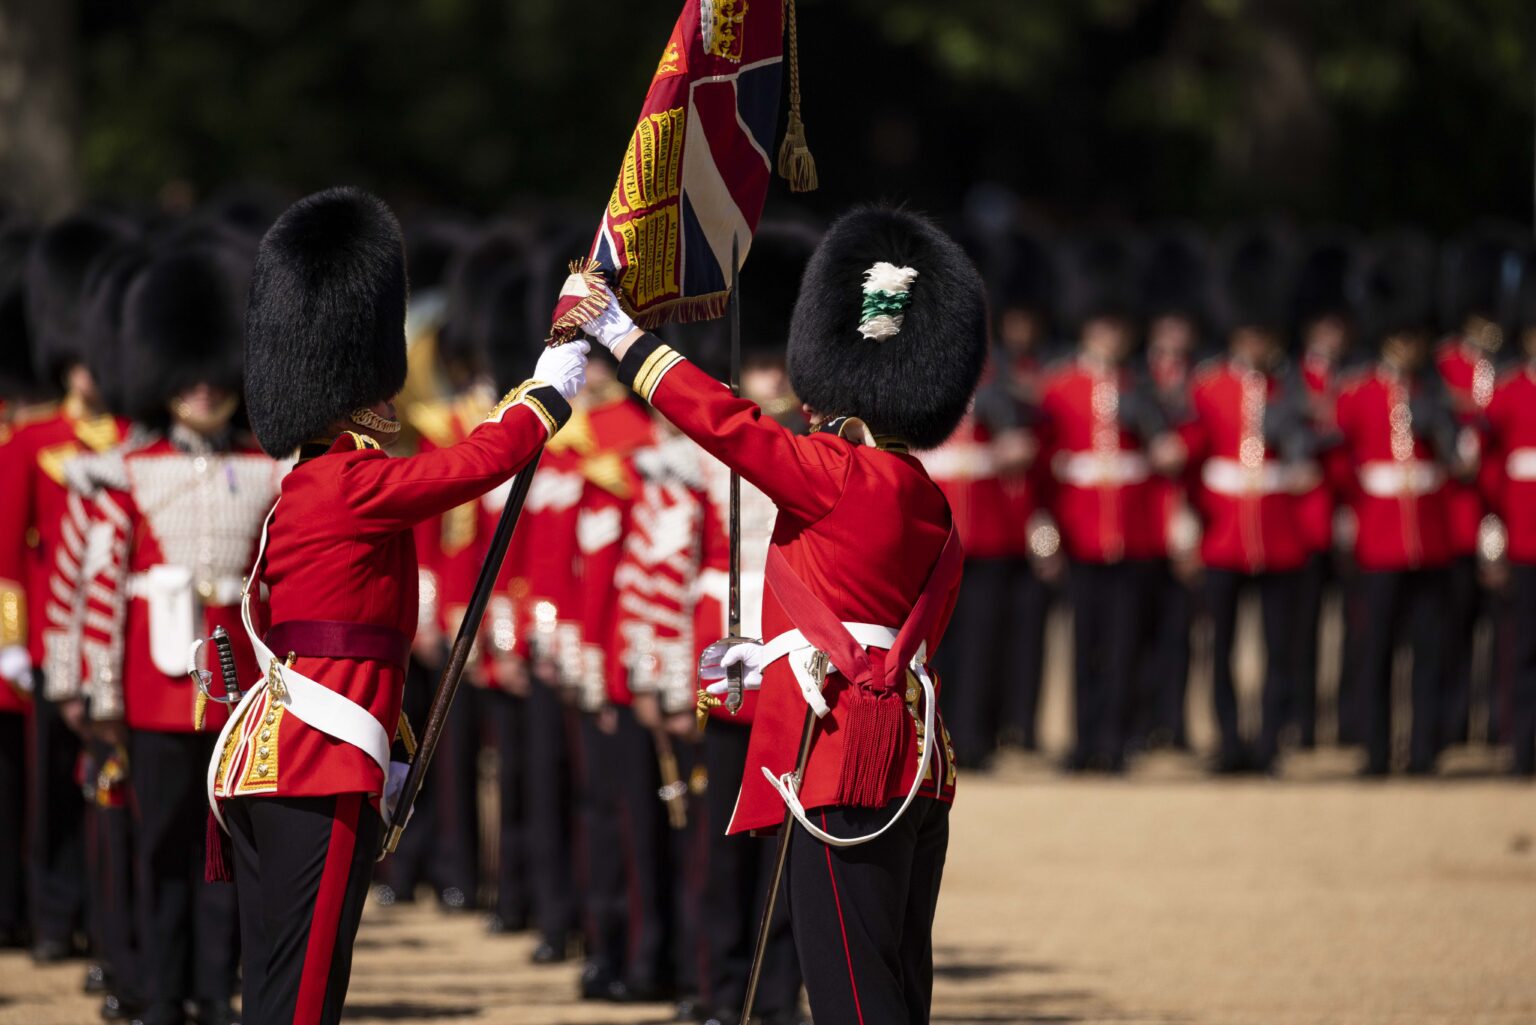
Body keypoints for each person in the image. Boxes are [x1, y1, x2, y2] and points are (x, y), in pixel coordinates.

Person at [568, 205, 979, 1025]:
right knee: (897, 979)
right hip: (914, 756)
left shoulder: (835, 472)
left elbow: (722, 423)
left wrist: (616, 329)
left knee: (851, 995)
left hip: (842, 756)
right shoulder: (929, 497)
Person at [208, 187, 588, 1025]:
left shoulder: (309, 480)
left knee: (283, 971)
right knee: (308, 979)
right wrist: (545, 395)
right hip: (324, 750)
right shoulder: (344, 480)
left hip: (308, 742)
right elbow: (467, 469)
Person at [52, 233, 273, 1025]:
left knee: (228, 854)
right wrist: (93, 687)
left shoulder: (267, 468)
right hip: (151, 687)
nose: (206, 389)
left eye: (216, 374)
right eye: (189, 375)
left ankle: (217, 989)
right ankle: (158, 984)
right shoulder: (127, 472)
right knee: (158, 847)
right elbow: (96, 589)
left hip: (240, 693)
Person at [0, 211, 134, 964]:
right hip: (49, 641)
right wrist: (14, 643)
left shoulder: (128, 441)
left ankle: (108, 920)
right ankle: (55, 916)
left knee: (113, 792)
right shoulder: (32, 442)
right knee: (52, 791)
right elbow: (6, 556)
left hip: (113, 637)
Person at [1178, 225, 1317, 774]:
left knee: (1281, 648)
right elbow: (1191, 461)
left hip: (1281, 532)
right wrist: (1187, 529)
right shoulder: (1208, 386)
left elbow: (1313, 465)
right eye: (1249, 333)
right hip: (1223, 532)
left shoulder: (1295, 388)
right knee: (1224, 648)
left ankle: (1270, 742)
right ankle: (1230, 739)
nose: (1257, 343)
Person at [1329, 233, 1459, 776]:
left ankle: (1425, 749)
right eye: (1402, 336)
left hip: (1429, 538)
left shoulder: (1438, 394)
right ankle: (1377, 750)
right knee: (1376, 652)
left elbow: (1460, 471)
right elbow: (1341, 465)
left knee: (1429, 655)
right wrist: (1346, 521)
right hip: (1379, 536)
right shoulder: (1358, 393)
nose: (1410, 345)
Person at [1036, 231, 1166, 774]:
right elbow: (1046, 473)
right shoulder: (1059, 387)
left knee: (1125, 645)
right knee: (1083, 644)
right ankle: (1085, 737)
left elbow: (1161, 469)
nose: (1111, 335)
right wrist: (1046, 537)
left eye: (1118, 327)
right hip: (1081, 533)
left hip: (1133, 535)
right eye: (1103, 325)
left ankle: (1116, 738)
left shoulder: (1146, 388)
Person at [1478, 272, 1536, 776]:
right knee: (1521, 651)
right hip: (1523, 543)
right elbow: (1491, 482)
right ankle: (1522, 748)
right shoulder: (1508, 392)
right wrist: (1492, 545)